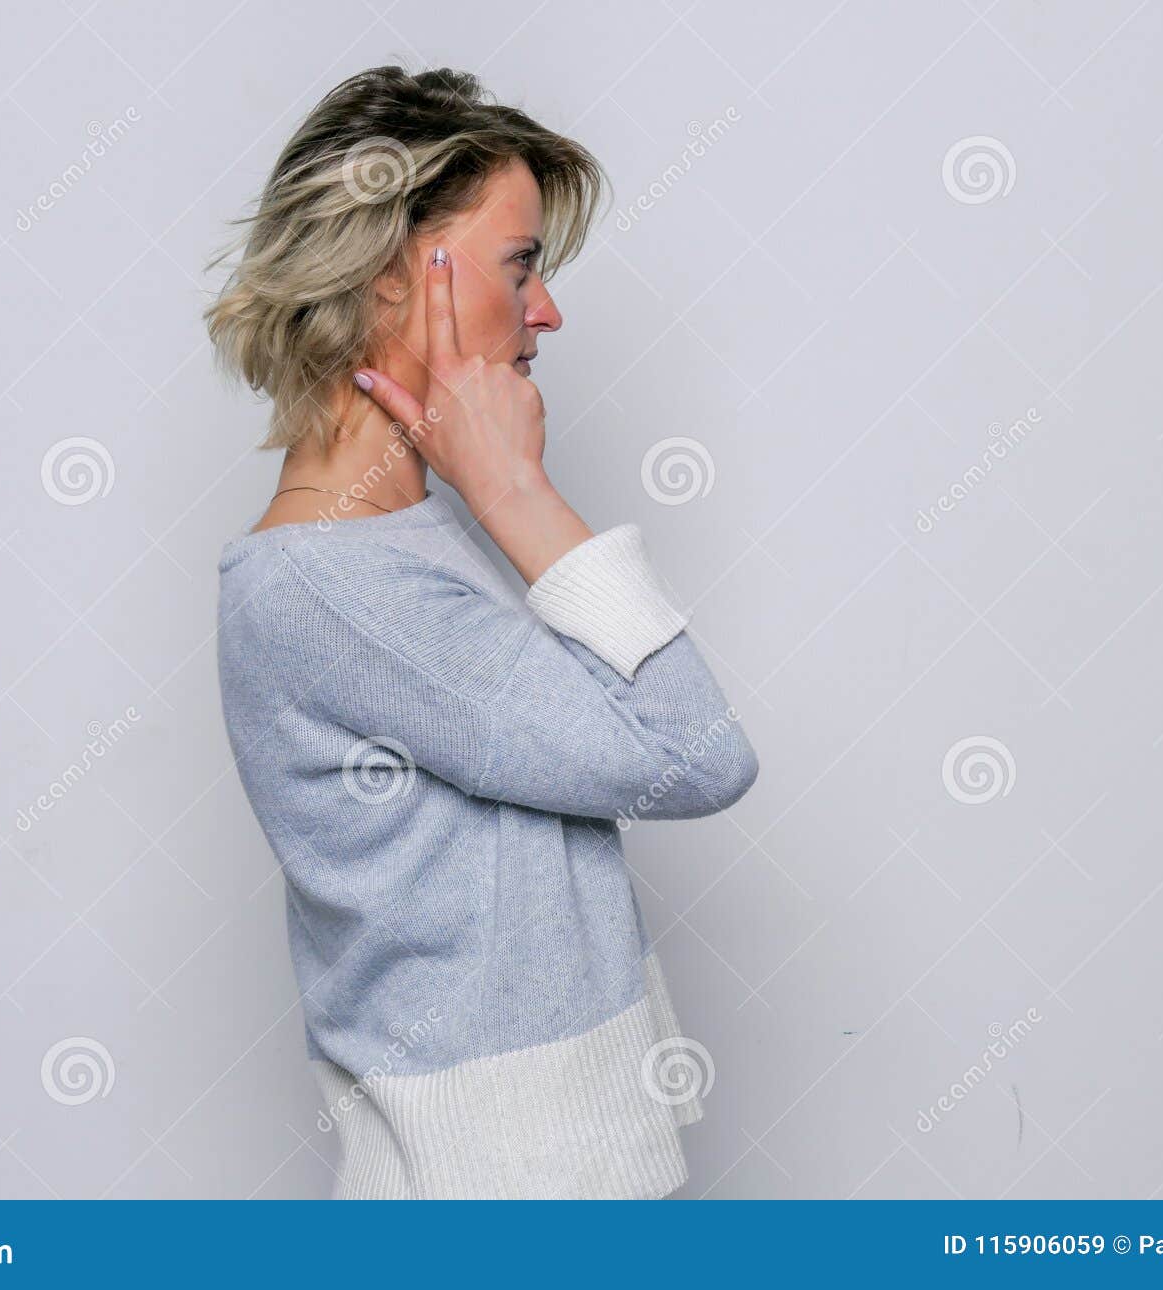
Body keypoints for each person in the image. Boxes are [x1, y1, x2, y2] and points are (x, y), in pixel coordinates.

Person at [208, 65, 758, 1199]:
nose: (547, 309)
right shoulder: (331, 588)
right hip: (504, 1188)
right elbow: (698, 756)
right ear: (393, 275)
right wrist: (517, 491)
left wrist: (491, 490)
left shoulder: (406, 531)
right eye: (523, 263)